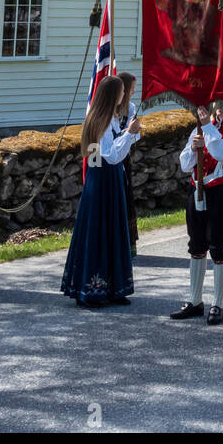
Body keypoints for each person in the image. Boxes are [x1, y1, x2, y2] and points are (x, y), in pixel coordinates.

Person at [61, 75, 139, 307]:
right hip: (101, 179)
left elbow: (117, 153)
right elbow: (110, 155)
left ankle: (113, 287)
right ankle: (92, 289)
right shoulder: (100, 121)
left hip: (110, 178)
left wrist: (130, 133)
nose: (125, 95)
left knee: (112, 229)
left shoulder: (111, 119)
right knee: (98, 231)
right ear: (113, 95)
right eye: (122, 91)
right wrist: (128, 134)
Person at [171, 102, 223, 325]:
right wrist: (194, 149)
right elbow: (185, 165)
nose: (220, 109)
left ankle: (217, 304)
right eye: (218, 105)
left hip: (220, 191)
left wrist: (208, 127)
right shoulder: (202, 126)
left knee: (218, 245)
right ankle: (195, 301)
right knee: (196, 244)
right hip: (197, 190)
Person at [116, 72, 140, 256]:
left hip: (124, 156)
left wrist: (130, 133)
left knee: (126, 195)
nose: (132, 92)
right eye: (130, 89)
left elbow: (135, 135)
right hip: (110, 156)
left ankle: (129, 241)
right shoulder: (110, 111)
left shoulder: (130, 108)